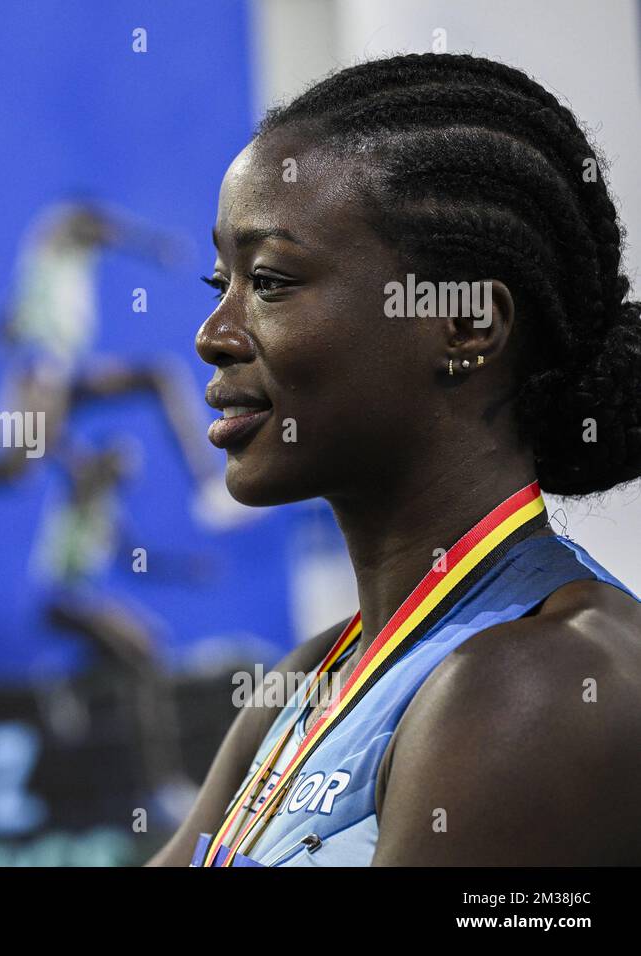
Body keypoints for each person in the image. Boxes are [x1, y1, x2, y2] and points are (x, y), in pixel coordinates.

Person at [152, 52, 641, 866]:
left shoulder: (541, 683)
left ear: (466, 325)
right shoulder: (309, 683)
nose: (214, 334)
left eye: (269, 281)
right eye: (219, 280)